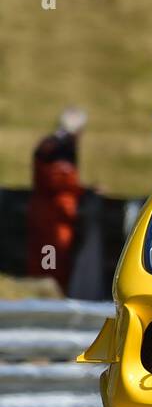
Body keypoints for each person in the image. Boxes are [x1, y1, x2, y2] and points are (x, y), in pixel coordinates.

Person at [26, 107, 86, 293]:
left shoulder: (49, 144)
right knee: (51, 259)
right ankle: (48, 296)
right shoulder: (61, 148)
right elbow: (59, 181)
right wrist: (83, 192)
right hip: (53, 214)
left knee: (48, 257)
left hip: (46, 210)